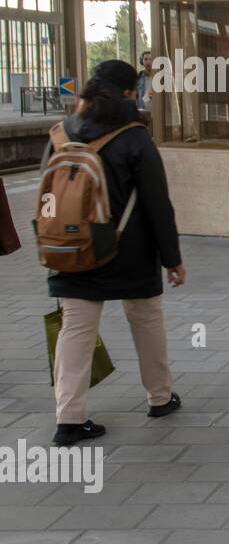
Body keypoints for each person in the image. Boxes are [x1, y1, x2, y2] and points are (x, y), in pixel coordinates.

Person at [47, 59, 185, 447]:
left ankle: (69, 419)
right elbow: (158, 204)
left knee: (75, 328)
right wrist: (171, 258)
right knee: (145, 319)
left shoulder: (62, 133)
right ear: (129, 93)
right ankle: (159, 397)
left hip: (72, 248)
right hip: (129, 250)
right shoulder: (135, 137)